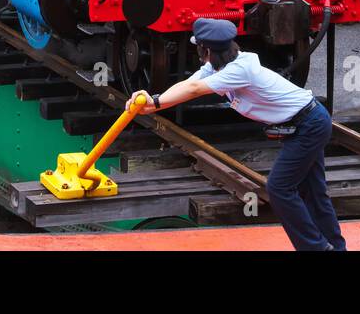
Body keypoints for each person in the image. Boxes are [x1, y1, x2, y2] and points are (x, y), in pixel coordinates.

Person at [128, 17, 344, 251]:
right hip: (307, 122)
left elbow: (194, 90)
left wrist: (156, 103)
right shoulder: (218, 65)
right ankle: (335, 247)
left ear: (206, 50)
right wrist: (155, 100)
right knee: (313, 192)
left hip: (309, 125)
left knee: (279, 189)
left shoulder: (240, 69)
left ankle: (317, 248)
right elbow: (190, 82)